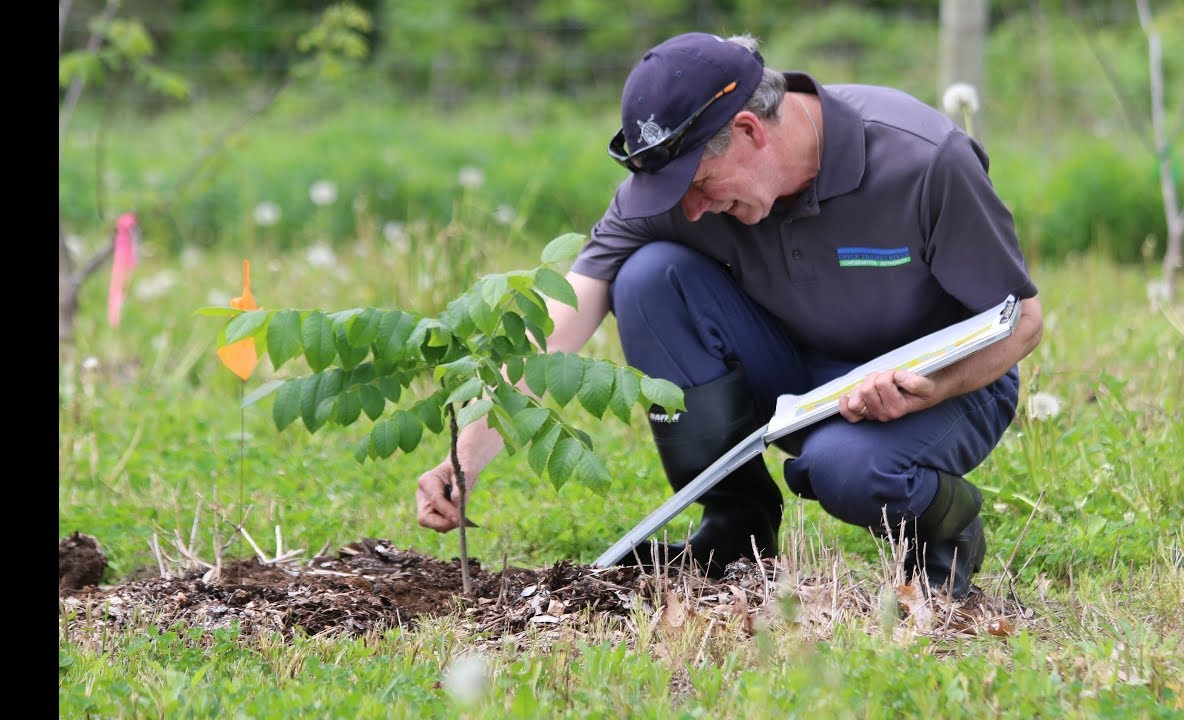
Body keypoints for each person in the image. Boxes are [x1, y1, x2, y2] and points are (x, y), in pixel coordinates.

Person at [417, 31, 1043, 598]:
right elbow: (571, 307)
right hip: (797, 367)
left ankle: (944, 532)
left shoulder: (922, 160)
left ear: (748, 130)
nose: (687, 211)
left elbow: (1022, 320)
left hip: (939, 386)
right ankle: (734, 531)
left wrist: (927, 388)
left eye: (699, 186)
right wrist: (467, 453)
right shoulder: (673, 183)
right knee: (648, 276)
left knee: (843, 468)